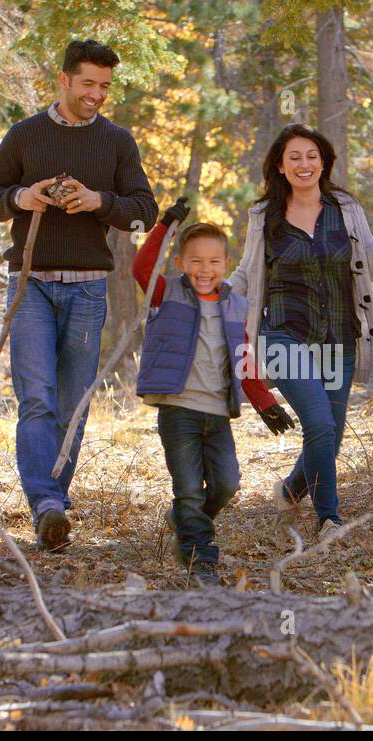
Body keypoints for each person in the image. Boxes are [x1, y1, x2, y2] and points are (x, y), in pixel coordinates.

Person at [0, 39, 158, 549]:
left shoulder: (117, 141)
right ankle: (47, 504)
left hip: (87, 288)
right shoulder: (25, 135)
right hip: (30, 283)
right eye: (88, 84)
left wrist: (99, 201)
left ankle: (53, 501)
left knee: (73, 403)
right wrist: (23, 196)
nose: (97, 94)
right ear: (64, 79)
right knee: (37, 399)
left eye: (105, 86)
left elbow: (146, 210)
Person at [228, 124, 373, 542]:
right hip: (283, 335)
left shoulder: (344, 207)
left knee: (331, 431)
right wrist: (207, 296)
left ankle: (292, 490)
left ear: (324, 161)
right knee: (319, 424)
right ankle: (329, 518)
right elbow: (246, 272)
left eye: (312, 156)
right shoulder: (263, 216)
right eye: (294, 157)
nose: (304, 164)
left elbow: (368, 265)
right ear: (280, 165)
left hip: (340, 335)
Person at [131, 200, 295, 586]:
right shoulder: (166, 293)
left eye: (214, 262)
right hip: (178, 410)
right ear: (181, 264)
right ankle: (200, 559)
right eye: (196, 262)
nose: (205, 270)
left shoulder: (236, 303)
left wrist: (266, 403)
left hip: (218, 412)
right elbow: (141, 266)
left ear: (225, 263)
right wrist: (166, 225)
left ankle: (186, 521)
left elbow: (244, 359)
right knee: (187, 488)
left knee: (227, 484)